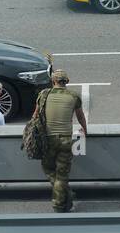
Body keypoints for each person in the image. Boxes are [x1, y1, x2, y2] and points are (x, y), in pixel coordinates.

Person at [35, 70, 87, 212]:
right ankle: (63, 192)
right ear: (66, 82)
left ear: (53, 81)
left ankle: (59, 204)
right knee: (62, 174)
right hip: (65, 139)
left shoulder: (44, 95)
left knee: (48, 168)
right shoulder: (73, 96)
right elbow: (80, 116)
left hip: (48, 139)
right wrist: (85, 130)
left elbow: (35, 115)